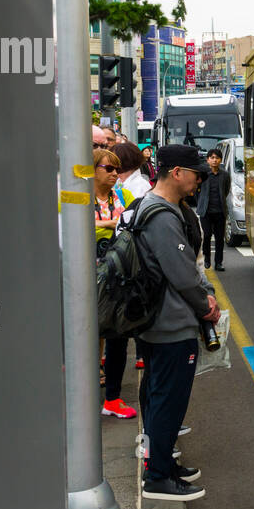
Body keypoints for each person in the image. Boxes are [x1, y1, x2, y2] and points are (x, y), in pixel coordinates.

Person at [134, 145, 217, 501]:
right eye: (196, 172)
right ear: (177, 172)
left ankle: (163, 463)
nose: (200, 178)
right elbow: (184, 276)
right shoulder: (164, 216)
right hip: (170, 324)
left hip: (155, 320)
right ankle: (158, 477)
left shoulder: (146, 207)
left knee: (157, 396)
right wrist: (207, 306)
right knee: (169, 400)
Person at [94, 147, 137, 420]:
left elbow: (134, 221)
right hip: (87, 279)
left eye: (116, 169)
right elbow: (71, 226)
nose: (114, 174)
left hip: (118, 278)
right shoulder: (77, 197)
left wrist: (105, 224)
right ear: (92, 170)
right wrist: (110, 223)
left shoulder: (124, 195)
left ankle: (112, 398)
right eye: (108, 169)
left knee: (117, 337)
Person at [195, 149, 230, 271]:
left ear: (220, 160)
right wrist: (201, 202)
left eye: (217, 158)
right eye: (212, 157)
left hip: (220, 211)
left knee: (220, 238)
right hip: (206, 211)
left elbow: (226, 190)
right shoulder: (203, 174)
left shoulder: (225, 175)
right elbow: (196, 191)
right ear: (208, 159)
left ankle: (219, 262)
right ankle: (207, 259)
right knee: (207, 235)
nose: (215, 160)